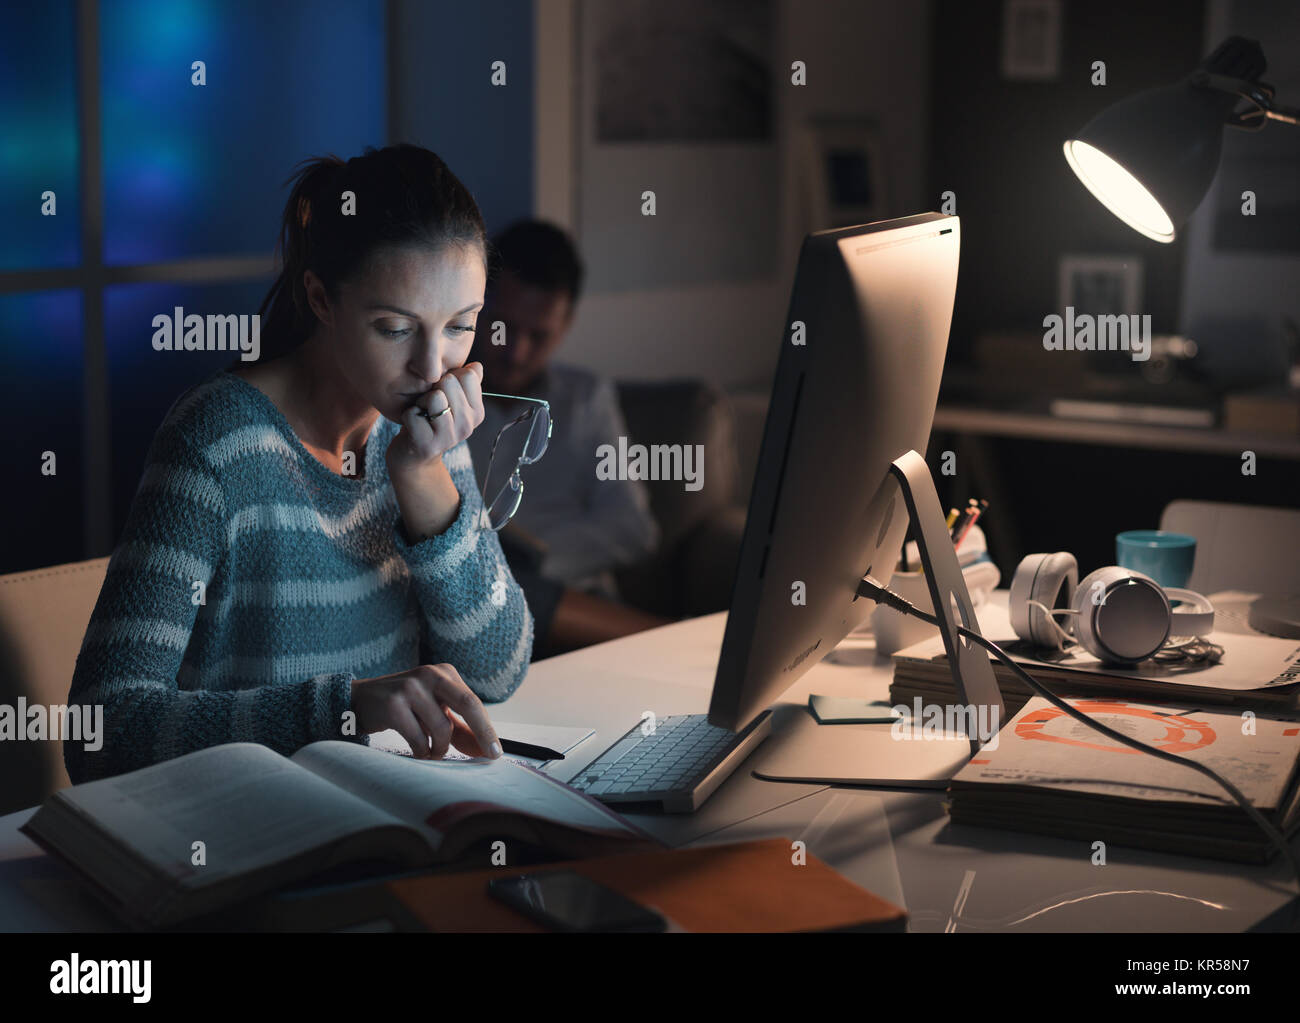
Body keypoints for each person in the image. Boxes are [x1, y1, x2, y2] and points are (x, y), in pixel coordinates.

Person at [65, 144, 528, 784]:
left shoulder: (429, 426)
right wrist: (341, 710)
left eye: (461, 325)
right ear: (320, 298)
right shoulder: (218, 441)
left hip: (382, 810)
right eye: (395, 328)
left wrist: (424, 480)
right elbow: (100, 732)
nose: (433, 367)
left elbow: (498, 671)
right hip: (240, 836)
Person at [466, 220, 672, 655]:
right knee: (491, 589)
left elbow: (634, 528)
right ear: (479, 304)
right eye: (503, 326)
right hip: (476, 608)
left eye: (538, 336)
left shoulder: (586, 399)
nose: (516, 350)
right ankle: (676, 642)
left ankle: (678, 645)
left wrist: (532, 559)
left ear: (567, 324)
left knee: (510, 582)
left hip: (577, 603)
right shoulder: (439, 396)